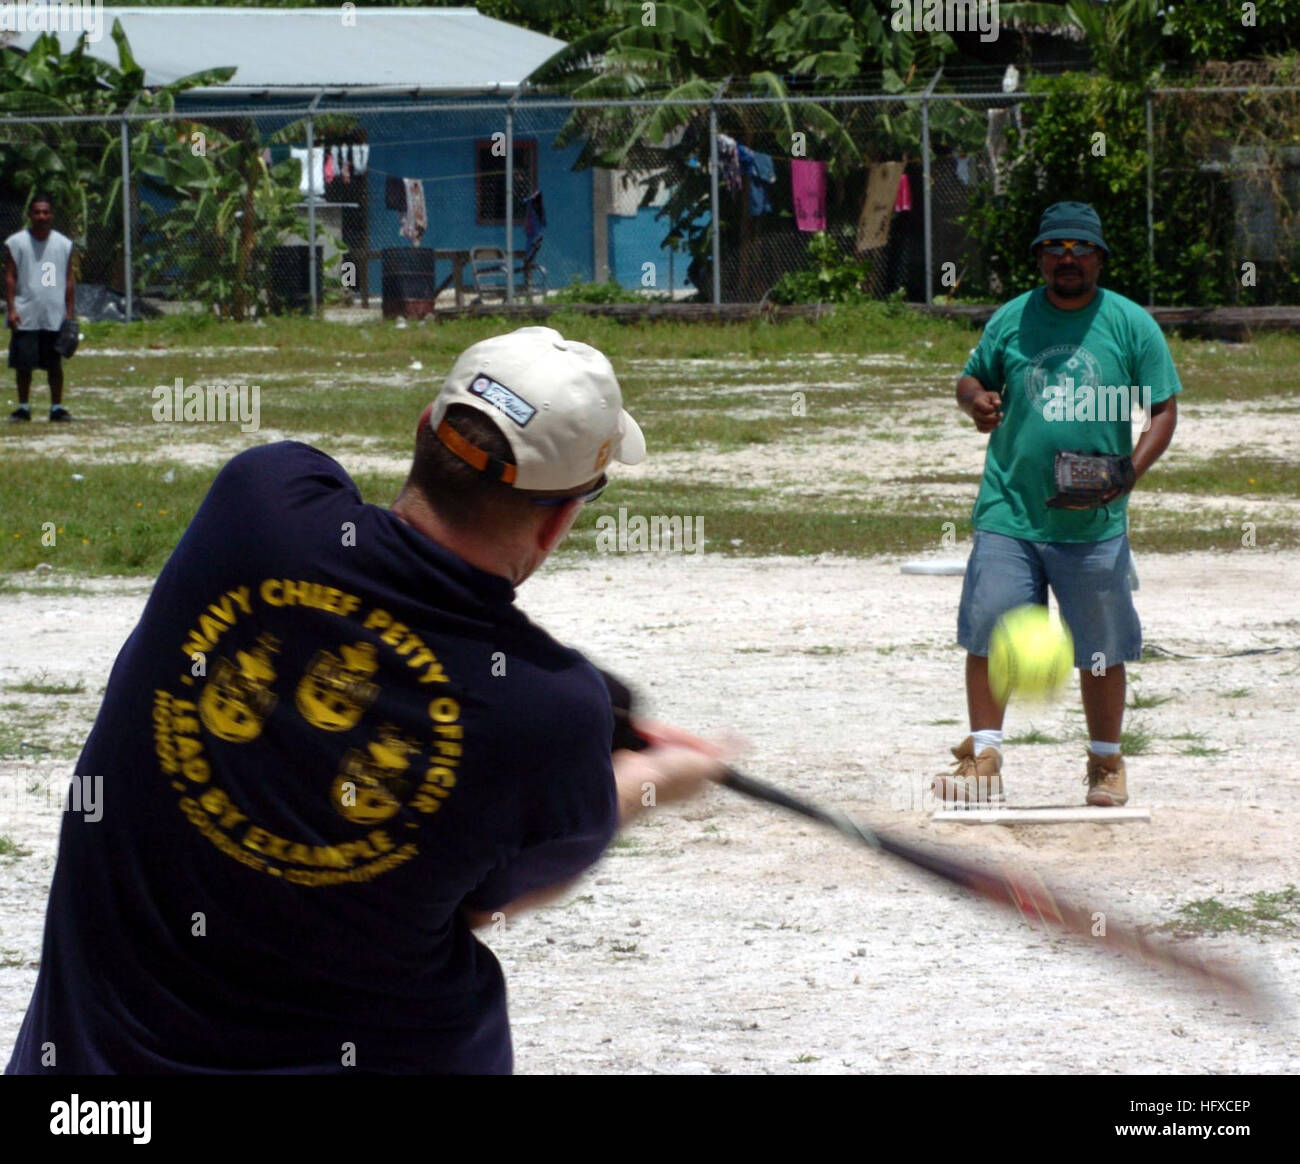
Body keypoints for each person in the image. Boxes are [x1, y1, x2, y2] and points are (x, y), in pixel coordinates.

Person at [7, 326, 726, 1074]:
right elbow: (490, 898)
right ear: (555, 521)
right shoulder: (549, 717)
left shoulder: (259, 498)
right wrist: (644, 783)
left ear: (424, 429)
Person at [934, 202, 1180, 809]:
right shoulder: (1011, 320)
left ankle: (1105, 763)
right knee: (990, 629)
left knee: (1100, 648)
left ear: (1099, 258)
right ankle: (985, 757)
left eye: (1080, 248)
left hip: (1092, 520)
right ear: (1040, 257)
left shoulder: (1130, 324)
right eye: (1055, 248)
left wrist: (1130, 469)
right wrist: (977, 402)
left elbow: (1163, 409)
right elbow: (970, 379)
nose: (1067, 259)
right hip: (1010, 510)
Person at [5, 192, 75, 422]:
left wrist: (70, 312)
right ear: (30, 215)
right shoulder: (17, 243)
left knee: (54, 365)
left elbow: (68, 279)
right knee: (24, 366)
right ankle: (23, 407)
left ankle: (57, 408)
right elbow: (10, 277)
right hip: (26, 313)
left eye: (46, 212)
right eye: (37, 212)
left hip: (53, 315)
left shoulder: (63, 244)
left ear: (52, 215)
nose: (42, 216)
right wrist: (12, 309)